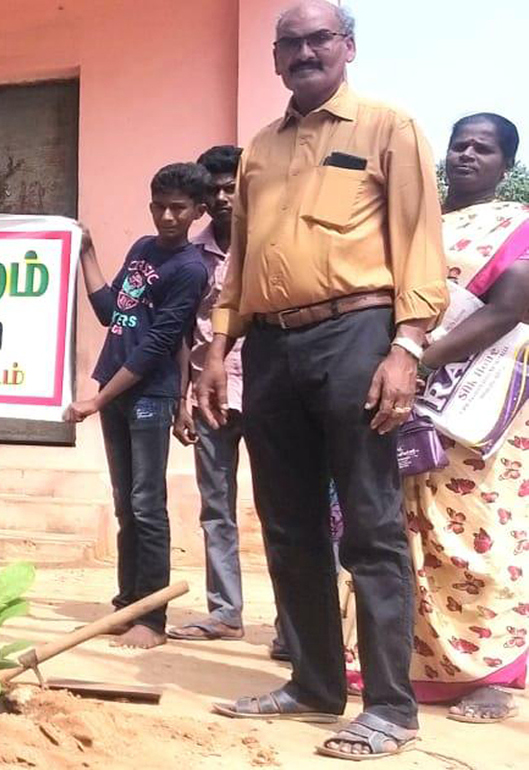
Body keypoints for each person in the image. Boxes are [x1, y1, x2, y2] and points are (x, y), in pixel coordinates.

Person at [197, 2, 448, 760]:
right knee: (286, 523)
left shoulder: (386, 126)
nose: (304, 53)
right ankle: (311, 684)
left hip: (357, 335)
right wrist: (216, 349)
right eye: (290, 44)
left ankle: (390, 710)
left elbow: (418, 242)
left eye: (319, 40)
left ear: (346, 47)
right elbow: (238, 263)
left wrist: (406, 347)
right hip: (269, 348)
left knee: (369, 527)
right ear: (274, 59)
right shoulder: (257, 149)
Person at [345, 112, 529, 725]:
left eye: (484, 148)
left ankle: (491, 672)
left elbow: (506, 309)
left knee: (474, 537)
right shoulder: (415, 224)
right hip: (399, 397)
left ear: (507, 165)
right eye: (459, 145)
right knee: (397, 532)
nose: (467, 155)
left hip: (470, 409)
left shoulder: (515, 226)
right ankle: (402, 661)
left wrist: (420, 358)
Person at [67, 163, 211, 650]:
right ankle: (127, 604)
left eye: (179, 208)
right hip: (115, 390)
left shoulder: (190, 269)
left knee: (149, 504)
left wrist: (94, 400)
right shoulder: (142, 250)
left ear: (198, 211)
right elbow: (113, 313)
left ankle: (152, 618)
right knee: (126, 502)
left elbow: (157, 346)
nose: (167, 216)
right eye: (159, 206)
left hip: (148, 395)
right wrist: (87, 253)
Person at [168, 145, 251, 644]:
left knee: (289, 512)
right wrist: (182, 400)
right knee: (216, 508)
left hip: (268, 392)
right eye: (213, 190)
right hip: (207, 398)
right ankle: (225, 612)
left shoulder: (267, 245)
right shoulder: (189, 254)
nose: (222, 198)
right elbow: (180, 333)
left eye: (231, 187)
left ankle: (297, 626)